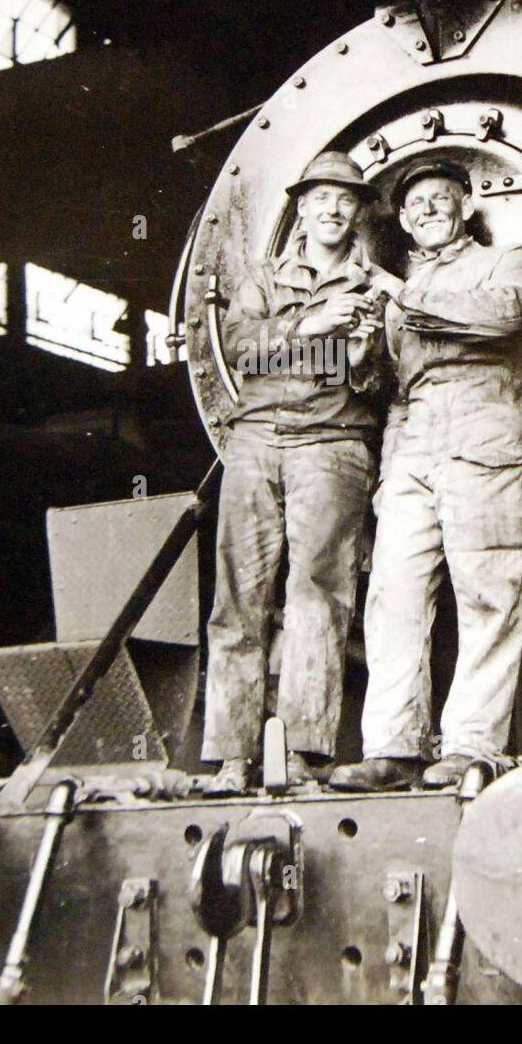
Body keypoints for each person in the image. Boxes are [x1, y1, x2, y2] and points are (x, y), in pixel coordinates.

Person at [329, 157, 522, 792]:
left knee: (487, 590)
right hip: (413, 436)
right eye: (413, 203)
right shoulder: (400, 290)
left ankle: (473, 744)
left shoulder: (509, 262)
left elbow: (500, 317)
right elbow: (384, 382)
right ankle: (394, 746)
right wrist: (362, 349)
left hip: (483, 422)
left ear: (467, 203)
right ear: (401, 218)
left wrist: (399, 295)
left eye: (438, 197)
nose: (425, 209)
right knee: (393, 593)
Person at [201, 151, 402, 794]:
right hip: (255, 443)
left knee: (318, 596)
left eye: (345, 200)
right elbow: (239, 348)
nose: (332, 210)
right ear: (303, 207)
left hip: (334, 446)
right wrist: (314, 329)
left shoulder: (378, 287)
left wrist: (361, 348)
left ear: (358, 211)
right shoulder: (261, 278)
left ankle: (301, 755)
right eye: (320, 199)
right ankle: (233, 758)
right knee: (238, 599)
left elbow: (374, 380)